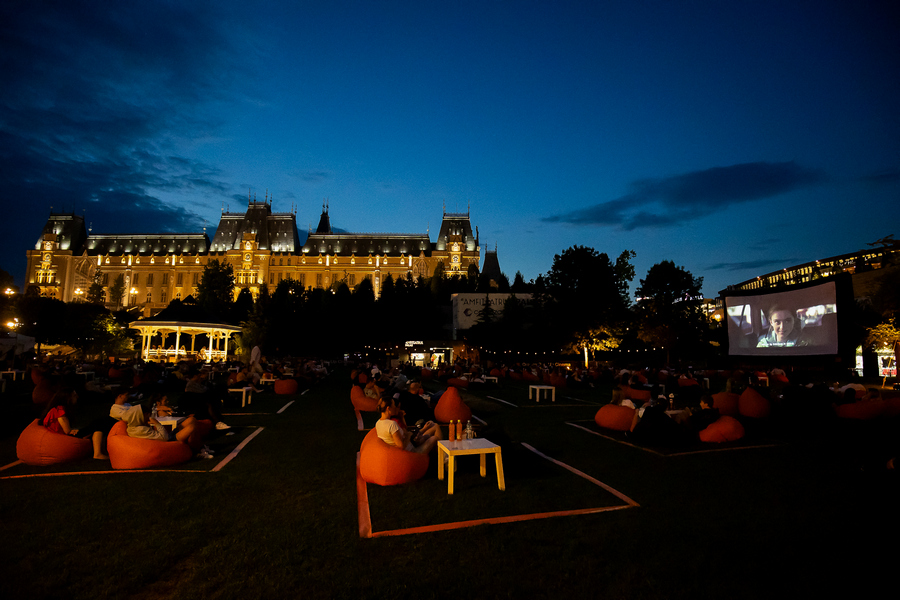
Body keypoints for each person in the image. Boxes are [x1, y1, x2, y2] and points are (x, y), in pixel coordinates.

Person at [39, 387, 111, 460]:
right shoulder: (60, 409)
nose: (77, 397)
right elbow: (67, 430)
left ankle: (100, 451)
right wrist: (74, 430)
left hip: (65, 435)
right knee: (98, 424)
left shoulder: (56, 408)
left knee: (96, 424)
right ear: (67, 398)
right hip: (66, 436)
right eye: (74, 395)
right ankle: (97, 454)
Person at [110, 388, 197, 443]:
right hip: (168, 439)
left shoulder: (137, 425)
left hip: (163, 435)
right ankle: (196, 449)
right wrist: (157, 424)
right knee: (191, 427)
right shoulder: (139, 429)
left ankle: (196, 447)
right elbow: (164, 437)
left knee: (191, 420)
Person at [375, 396, 442, 454]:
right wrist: (409, 435)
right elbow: (401, 446)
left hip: (408, 447)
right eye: (394, 406)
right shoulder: (392, 424)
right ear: (388, 408)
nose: (395, 407)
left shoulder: (378, 423)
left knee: (428, 434)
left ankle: (438, 457)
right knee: (435, 438)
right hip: (411, 452)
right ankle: (442, 459)